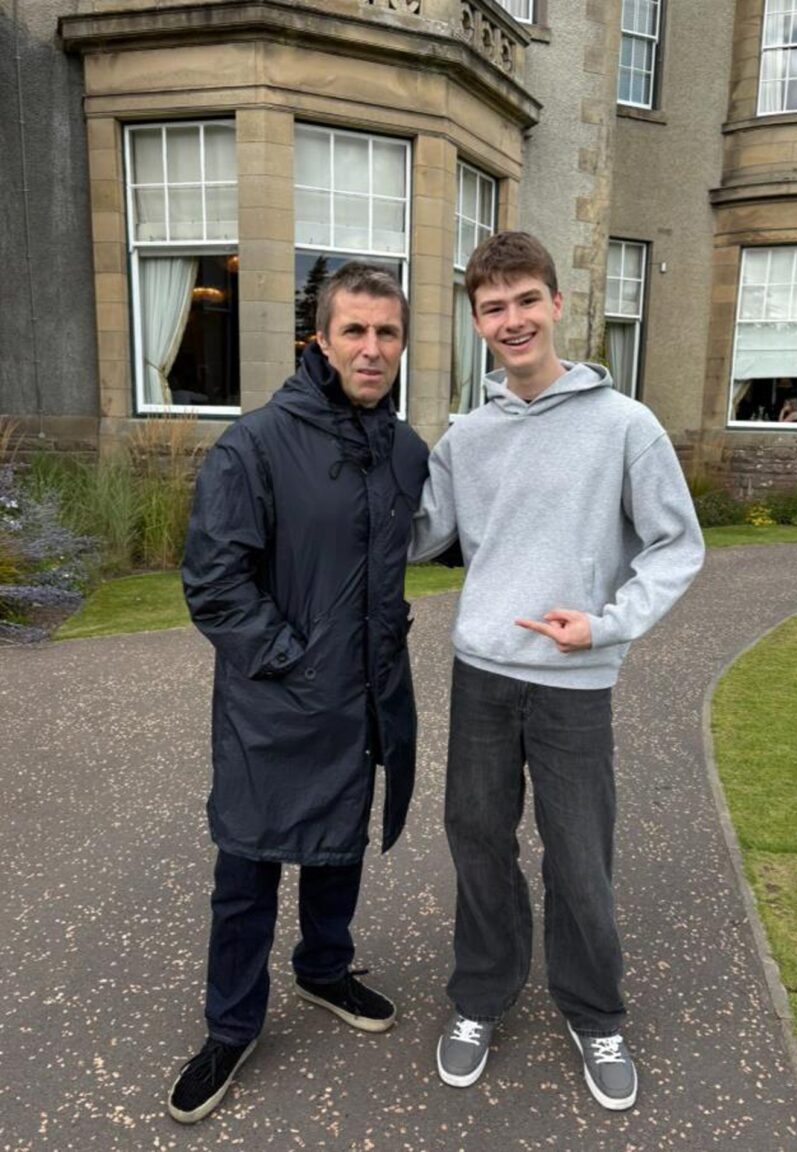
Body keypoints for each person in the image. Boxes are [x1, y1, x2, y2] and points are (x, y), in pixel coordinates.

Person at [410, 232, 705, 1111]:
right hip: (481, 678)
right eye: (492, 308)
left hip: (573, 683)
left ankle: (593, 1010)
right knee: (478, 841)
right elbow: (418, 533)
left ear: (556, 303)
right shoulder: (466, 437)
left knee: (579, 856)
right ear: (475, 321)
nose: (511, 321)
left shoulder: (624, 425)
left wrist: (609, 624)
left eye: (525, 300)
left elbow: (675, 546)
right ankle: (480, 995)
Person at [169, 263, 429, 1124]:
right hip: (274, 701)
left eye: (385, 332)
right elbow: (214, 580)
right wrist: (292, 659)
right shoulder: (256, 442)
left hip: (362, 700)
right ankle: (229, 1026)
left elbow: (426, 549)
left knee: (338, 844)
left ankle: (324, 970)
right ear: (320, 338)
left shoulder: (403, 450)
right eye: (354, 330)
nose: (371, 348)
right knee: (246, 868)